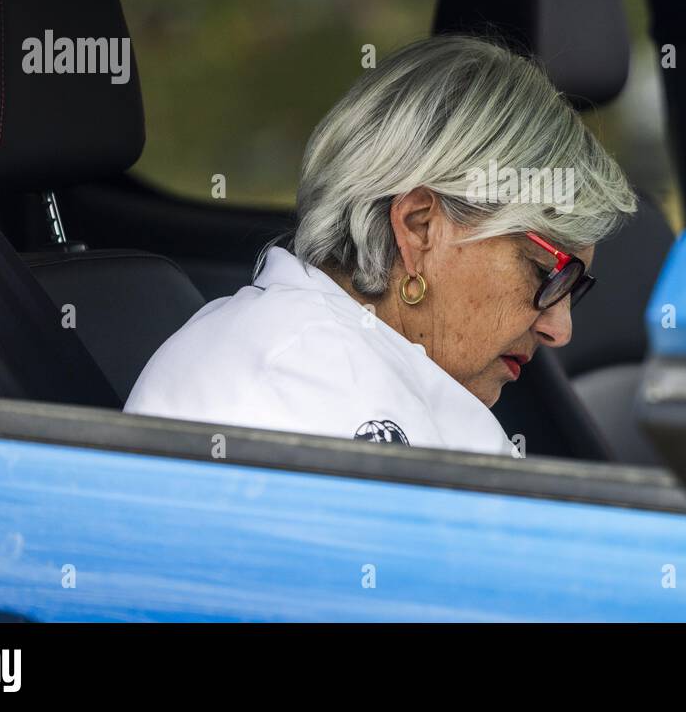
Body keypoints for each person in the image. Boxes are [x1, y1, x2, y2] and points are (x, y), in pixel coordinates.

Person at [124, 35, 637, 455]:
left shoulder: (352, 362)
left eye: (575, 286)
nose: (559, 329)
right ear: (418, 227)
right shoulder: (298, 384)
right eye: (546, 272)